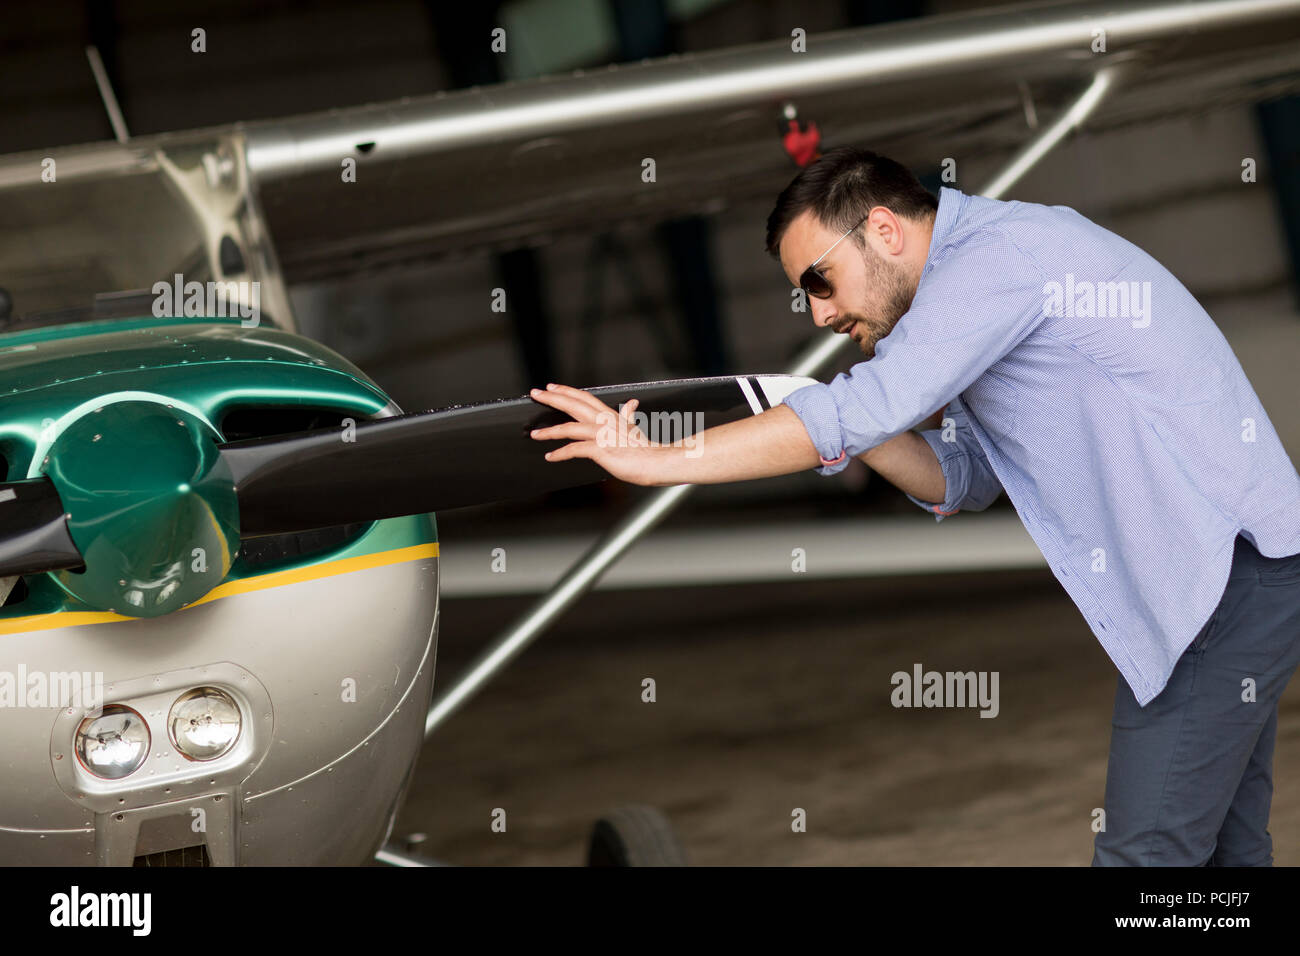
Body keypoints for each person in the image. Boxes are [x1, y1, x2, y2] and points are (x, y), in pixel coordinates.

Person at [528, 146, 1300, 866]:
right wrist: (837, 413)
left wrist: (657, 459)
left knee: (1144, 860)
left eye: (819, 282)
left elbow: (857, 413)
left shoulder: (996, 262)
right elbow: (961, 477)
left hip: (1219, 581)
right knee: (1225, 863)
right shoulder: (967, 304)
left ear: (885, 230)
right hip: (1220, 583)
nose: (819, 316)